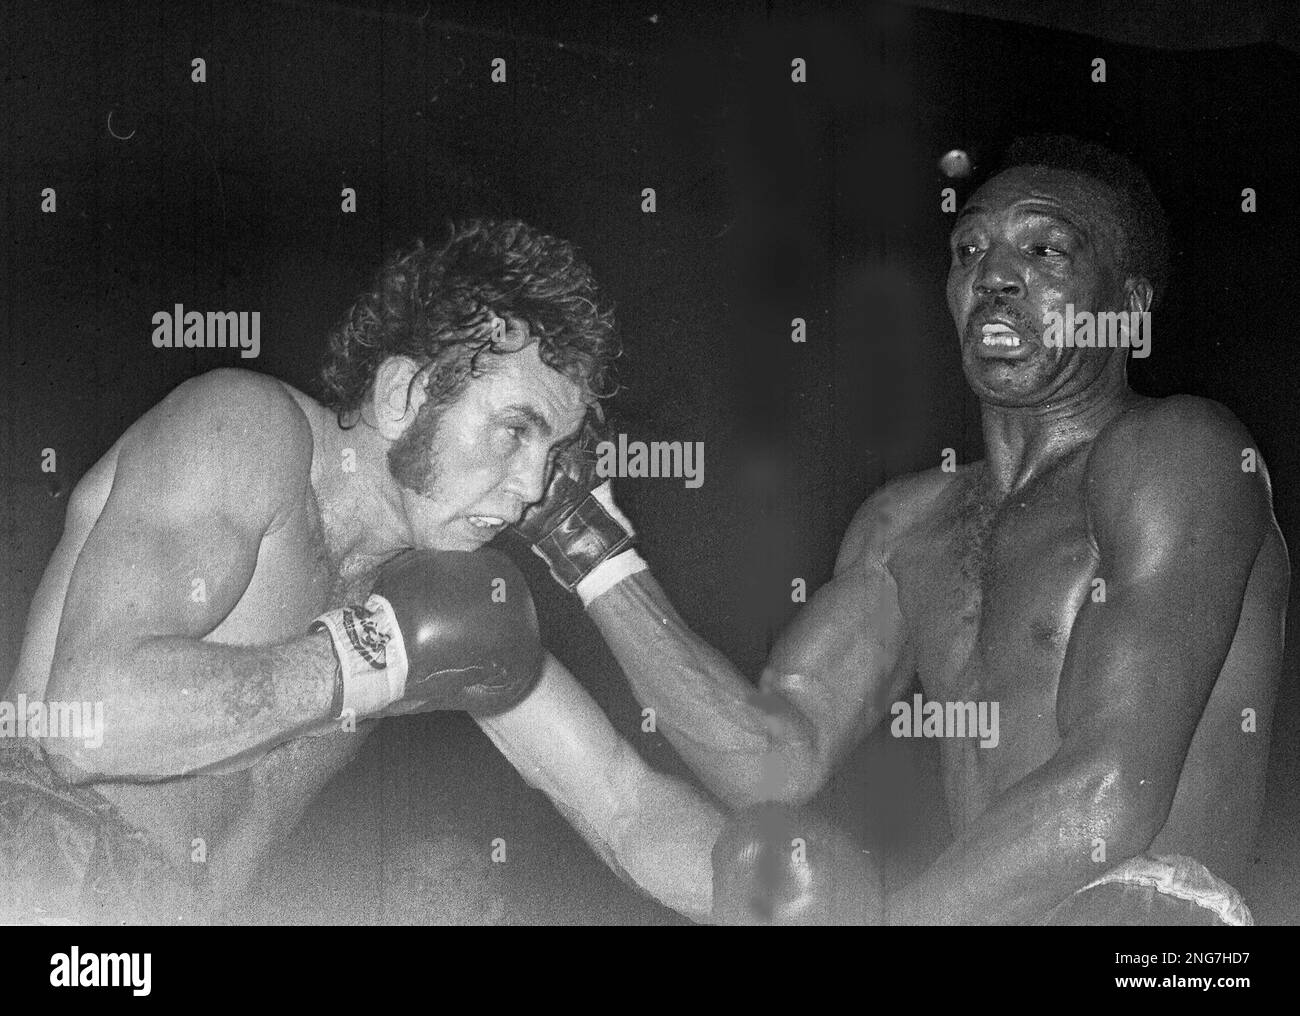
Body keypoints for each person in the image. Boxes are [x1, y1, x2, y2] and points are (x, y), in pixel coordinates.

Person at [515, 136, 1289, 925]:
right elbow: (775, 760)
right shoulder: (907, 524)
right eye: (970, 249)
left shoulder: (1182, 449)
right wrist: (585, 545)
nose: (993, 275)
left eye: (1046, 248)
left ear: (1128, 306)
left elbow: (1111, 800)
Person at [1, 219, 723, 925]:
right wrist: (370, 657)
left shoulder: (433, 591)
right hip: (39, 862)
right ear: (403, 395)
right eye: (513, 432)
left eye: (553, 452)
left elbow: (624, 804)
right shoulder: (247, 432)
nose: (534, 486)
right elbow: (88, 727)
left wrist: (774, 895)